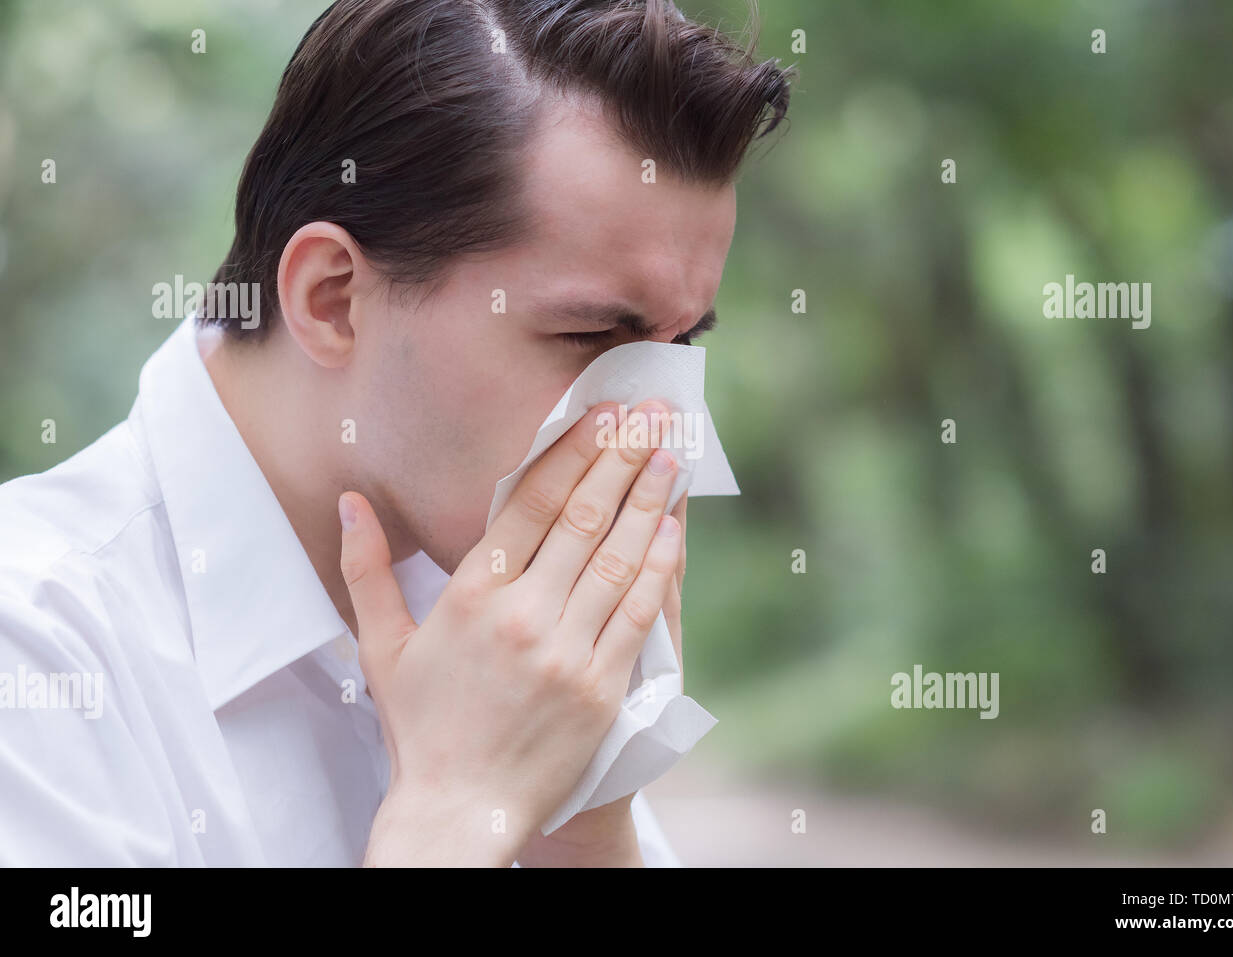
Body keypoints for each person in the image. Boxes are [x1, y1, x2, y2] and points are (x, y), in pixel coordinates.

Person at [0, 0, 792, 866]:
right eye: (592, 337)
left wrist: (585, 828)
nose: (661, 431)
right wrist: (455, 816)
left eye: (683, 345)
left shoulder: (511, 625)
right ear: (333, 299)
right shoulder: (38, 649)